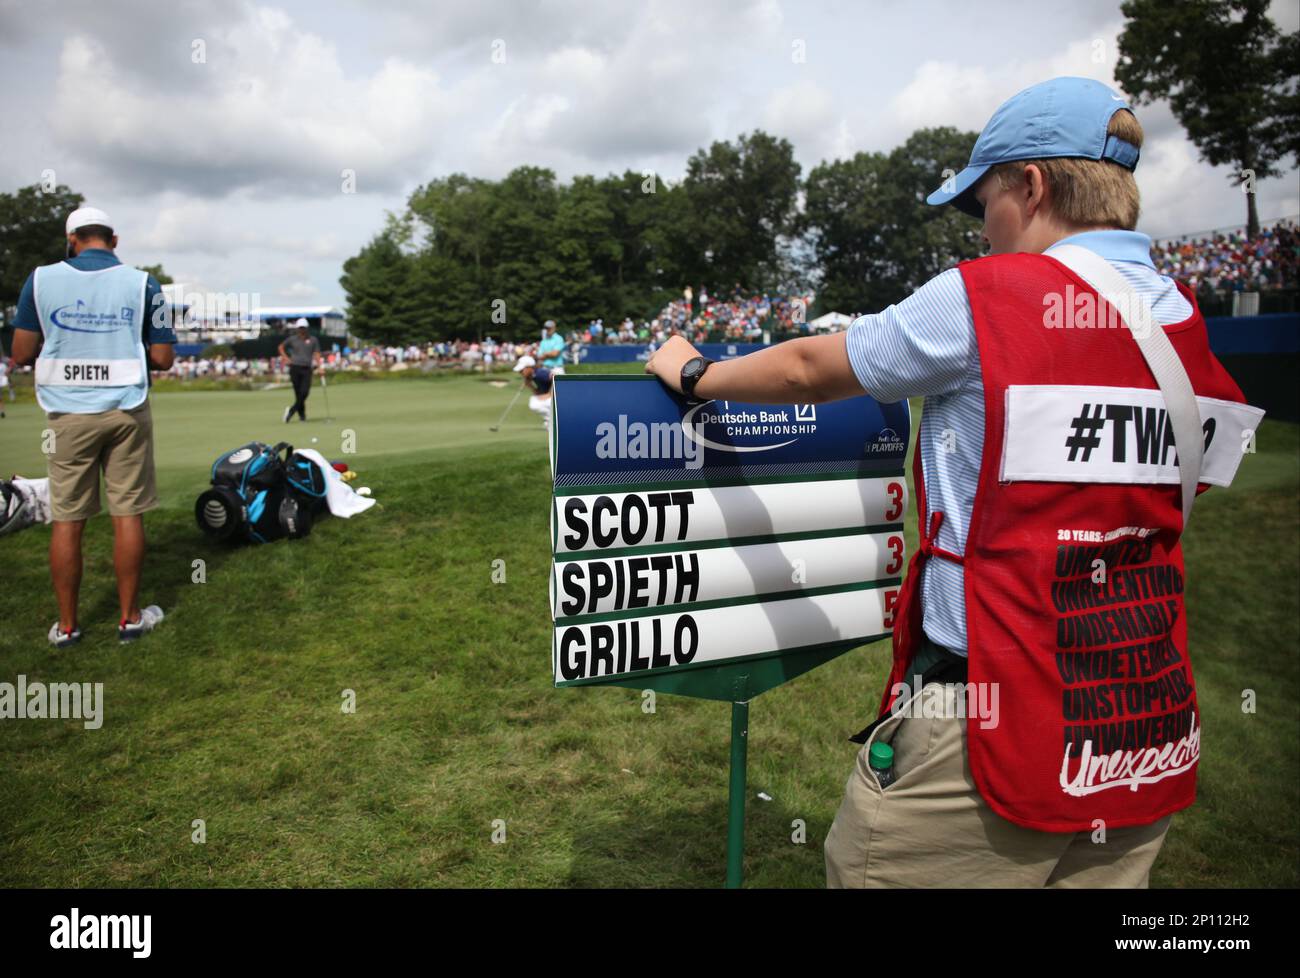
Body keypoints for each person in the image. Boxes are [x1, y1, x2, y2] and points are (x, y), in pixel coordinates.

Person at [645, 77, 1256, 888]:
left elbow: (804, 369)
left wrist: (695, 373)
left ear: (1032, 186)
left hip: (991, 718)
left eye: (984, 204)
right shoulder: (1182, 315)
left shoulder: (990, 294)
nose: (985, 230)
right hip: (1141, 714)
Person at [9, 206, 176, 646]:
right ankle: (130, 619)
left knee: (67, 518)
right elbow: (162, 358)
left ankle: (66, 627)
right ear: (114, 240)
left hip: (66, 413)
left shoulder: (40, 279)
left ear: (72, 240)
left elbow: (21, 353)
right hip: (126, 409)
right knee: (128, 513)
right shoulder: (145, 283)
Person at [278, 318, 321, 422]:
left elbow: (317, 353)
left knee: (304, 392)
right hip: (295, 367)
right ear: (297, 329)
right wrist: (286, 358)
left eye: (304, 328)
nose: (302, 330)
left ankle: (291, 411)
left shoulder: (313, 340)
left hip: (307, 368)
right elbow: (281, 347)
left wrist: (320, 366)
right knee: (298, 394)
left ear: (307, 328)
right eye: (300, 328)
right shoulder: (292, 339)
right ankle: (302, 416)